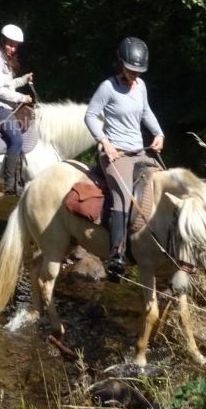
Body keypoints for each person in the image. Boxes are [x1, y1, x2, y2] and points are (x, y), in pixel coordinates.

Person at [84, 37, 164, 281]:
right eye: (131, 69)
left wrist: (159, 132)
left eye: (138, 71)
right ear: (121, 64)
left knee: (162, 184)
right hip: (114, 154)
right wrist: (104, 141)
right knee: (124, 197)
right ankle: (116, 256)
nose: (134, 74)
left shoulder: (140, 86)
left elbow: (146, 111)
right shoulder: (108, 87)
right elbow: (90, 115)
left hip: (139, 152)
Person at [0, 24, 34, 196]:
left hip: (5, 104)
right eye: (10, 44)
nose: (13, 49)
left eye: (16, 45)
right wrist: (21, 98)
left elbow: (7, 85)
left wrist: (23, 80)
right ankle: (10, 185)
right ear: (2, 42)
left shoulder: (3, 59)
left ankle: (19, 177)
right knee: (17, 140)